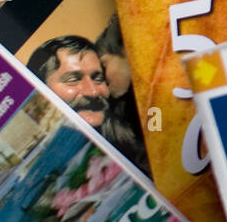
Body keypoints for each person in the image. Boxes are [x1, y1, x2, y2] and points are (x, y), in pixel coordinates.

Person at [27, 35, 150, 173]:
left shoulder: (139, 116)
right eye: (73, 79)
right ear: (42, 92)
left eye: (98, 78)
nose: (93, 91)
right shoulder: (50, 165)